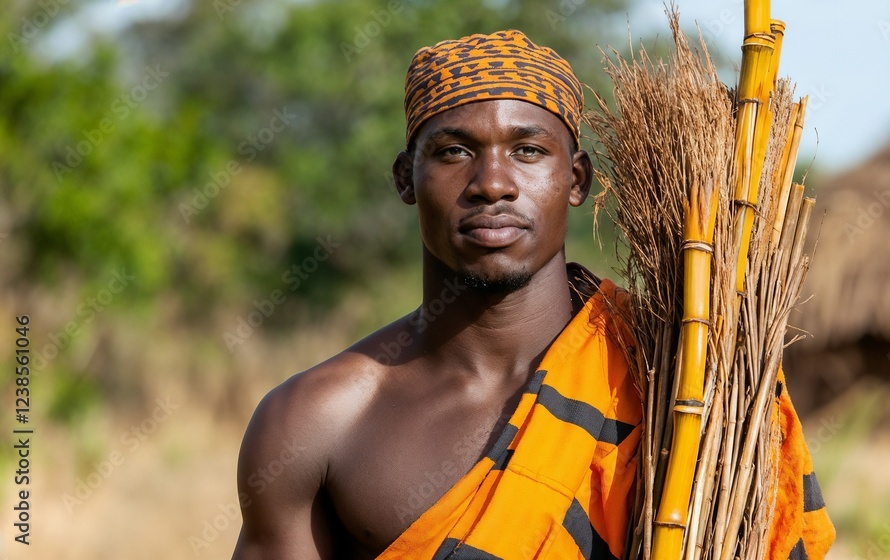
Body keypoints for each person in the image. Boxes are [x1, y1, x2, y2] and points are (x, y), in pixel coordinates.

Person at [231, 29, 834, 560]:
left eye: (527, 151)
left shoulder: (693, 384)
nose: (492, 184)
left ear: (576, 179)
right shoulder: (316, 420)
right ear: (404, 179)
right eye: (453, 151)